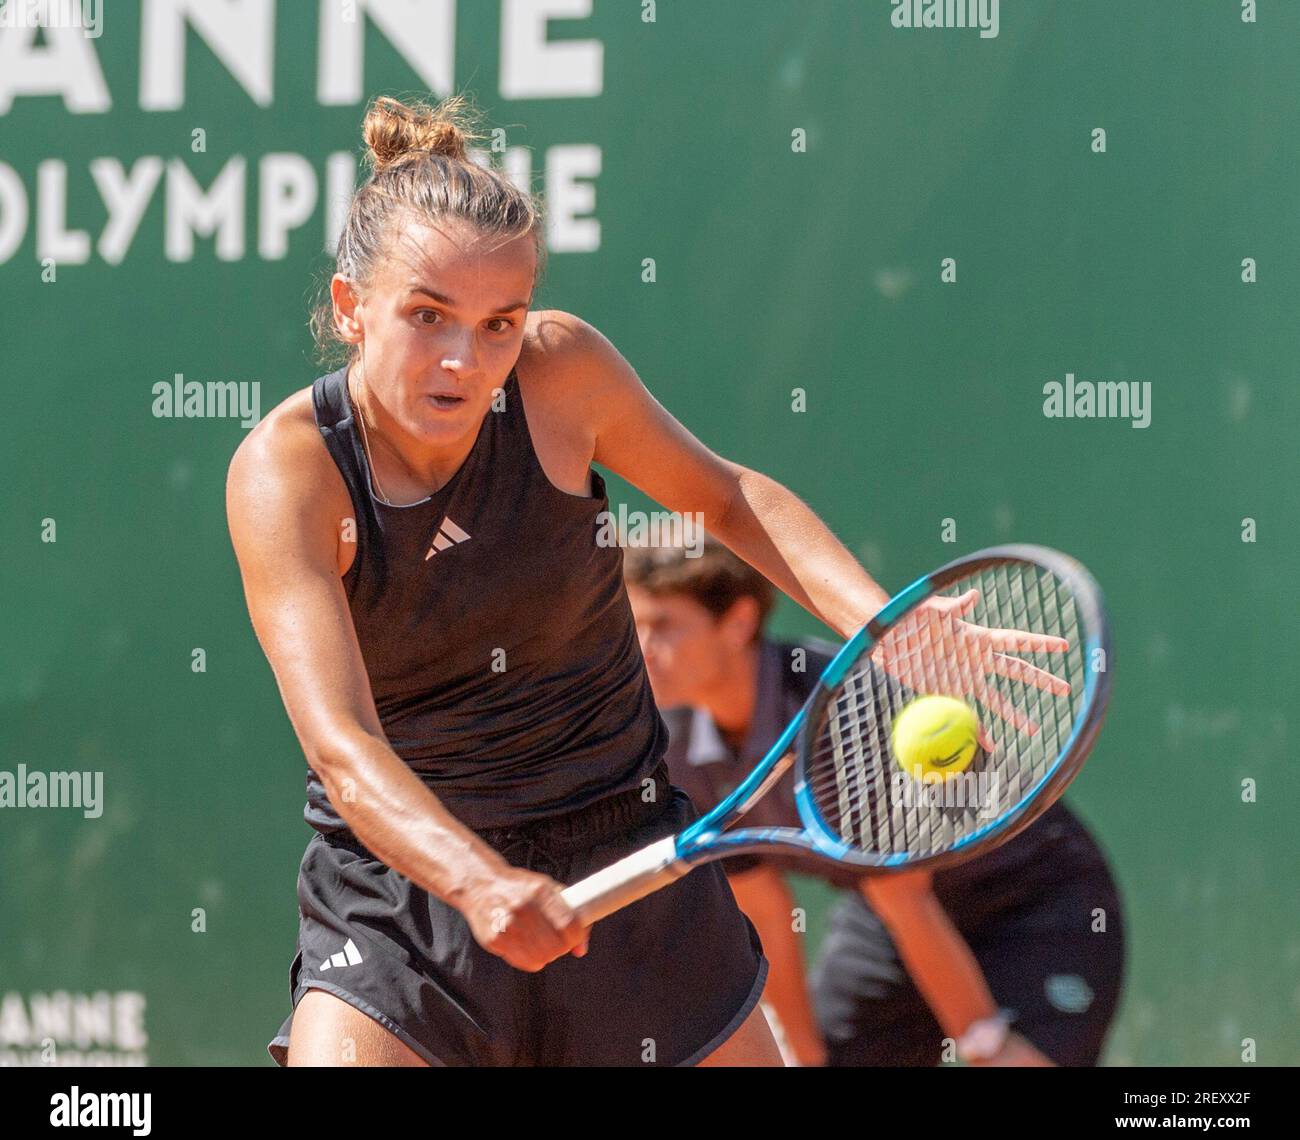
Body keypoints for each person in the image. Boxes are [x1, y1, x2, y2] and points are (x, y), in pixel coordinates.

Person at [225, 92, 935, 1067]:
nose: (462, 359)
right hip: (405, 891)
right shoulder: (289, 472)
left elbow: (726, 499)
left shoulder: (562, 376)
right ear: (351, 307)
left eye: (498, 323)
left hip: (626, 847)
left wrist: (887, 623)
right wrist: (475, 880)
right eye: (426, 315)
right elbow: (341, 745)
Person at [625, 538, 1126, 1067]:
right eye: (635, 624)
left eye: (663, 624)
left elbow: (907, 900)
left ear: (739, 623)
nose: (643, 645)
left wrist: (985, 1043)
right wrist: (804, 1055)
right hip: (886, 915)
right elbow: (766, 910)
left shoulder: (845, 715)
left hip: (1034, 900)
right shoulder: (678, 744)